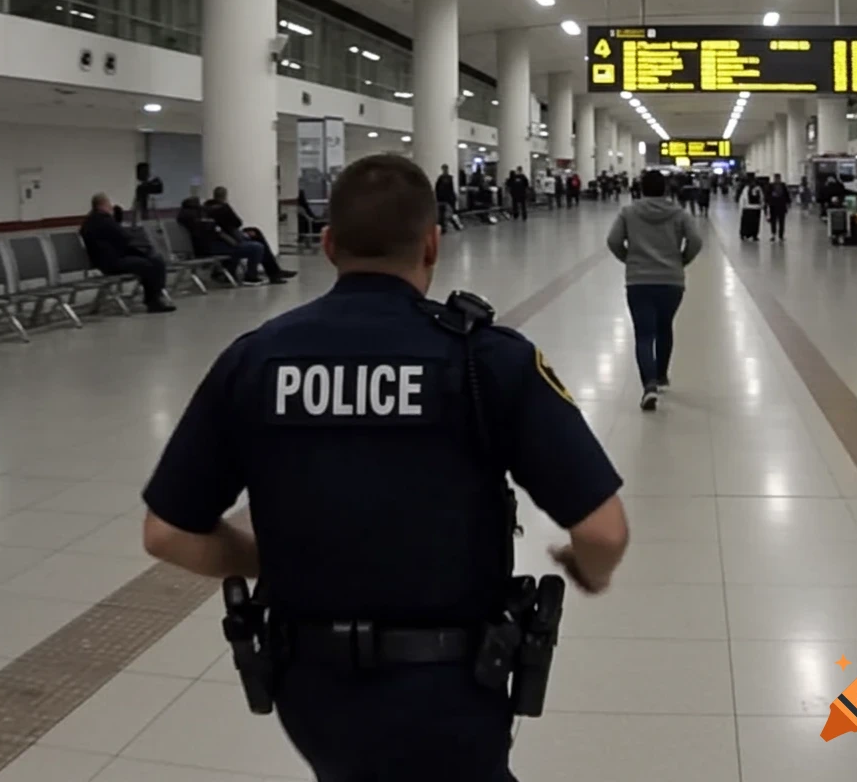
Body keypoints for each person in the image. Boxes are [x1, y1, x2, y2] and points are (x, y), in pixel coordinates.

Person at [141, 154, 628, 782]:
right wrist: (586, 572)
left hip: (308, 689)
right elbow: (603, 532)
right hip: (451, 686)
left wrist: (275, 560)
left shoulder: (257, 359)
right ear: (432, 243)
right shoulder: (485, 359)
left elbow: (167, 532)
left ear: (327, 244)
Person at [606, 169, 702, 411]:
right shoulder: (679, 213)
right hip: (671, 281)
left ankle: (648, 386)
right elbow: (696, 241)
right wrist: (682, 260)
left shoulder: (629, 212)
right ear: (666, 189)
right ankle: (661, 376)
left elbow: (613, 240)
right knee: (664, 327)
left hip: (638, 280)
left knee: (644, 334)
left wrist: (629, 259)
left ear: (641, 188)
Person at [80, 193, 175, 313]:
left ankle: (154, 298)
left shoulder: (91, 222)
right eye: (109, 204)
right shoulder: (104, 221)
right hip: (112, 262)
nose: (111, 207)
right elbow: (124, 238)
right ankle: (153, 299)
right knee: (150, 264)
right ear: (102, 205)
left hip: (104, 260)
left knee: (151, 262)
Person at [205, 187, 295, 282]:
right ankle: (269, 273)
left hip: (229, 237)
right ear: (225, 196)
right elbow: (237, 222)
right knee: (257, 243)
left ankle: (274, 272)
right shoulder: (223, 208)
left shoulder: (205, 208)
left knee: (254, 232)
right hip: (229, 241)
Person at [178, 197, 266, 286]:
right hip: (210, 248)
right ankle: (251, 277)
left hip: (204, 247)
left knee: (237, 247)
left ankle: (230, 274)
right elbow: (232, 225)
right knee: (257, 247)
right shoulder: (197, 218)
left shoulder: (186, 218)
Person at [765, 173, 791, 242]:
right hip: (773, 206)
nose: (777, 180)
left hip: (782, 206)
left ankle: (781, 235)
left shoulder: (783, 185)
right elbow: (767, 195)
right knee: (773, 221)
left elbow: (786, 194)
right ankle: (773, 234)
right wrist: (768, 202)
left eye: (778, 178)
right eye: (776, 178)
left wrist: (788, 203)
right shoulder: (771, 186)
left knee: (782, 222)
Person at [738, 173, 764, 241]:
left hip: (748, 208)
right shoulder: (758, 188)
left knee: (747, 223)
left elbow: (743, 198)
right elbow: (761, 198)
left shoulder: (746, 188)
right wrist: (762, 205)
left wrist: (742, 206)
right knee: (754, 223)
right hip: (755, 208)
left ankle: (745, 234)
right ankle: (753, 235)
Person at [435, 164, 458, 234]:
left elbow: (437, 188)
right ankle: (444, 227)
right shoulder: (444, 178)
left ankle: (445, 226)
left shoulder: (444, 178)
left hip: (445, 197)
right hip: (444, 198)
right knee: (443, 213)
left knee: (445, 212)